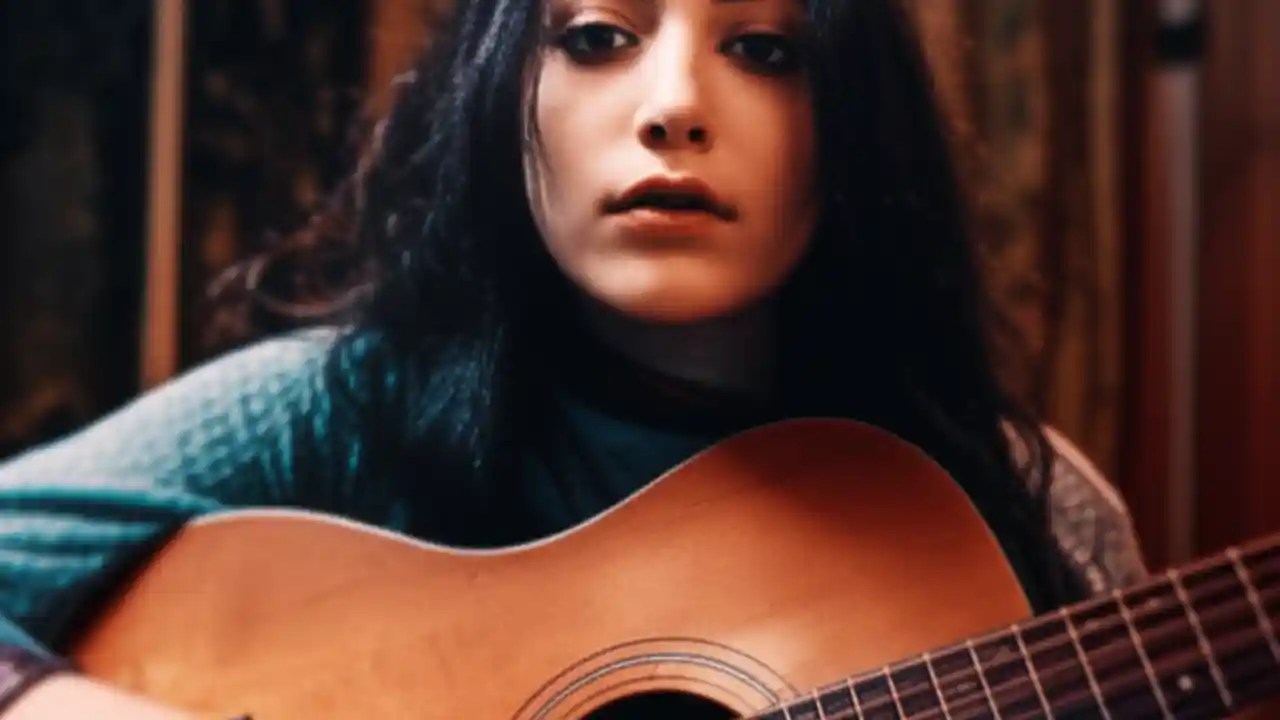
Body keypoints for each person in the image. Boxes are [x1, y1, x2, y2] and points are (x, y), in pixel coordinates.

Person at [0, 0, 1148, 716]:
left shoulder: (1030, 513)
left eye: (760, 47)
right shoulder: (341, 409)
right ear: (508, 96)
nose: (674, 107)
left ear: (852, 127)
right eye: (596, 38)